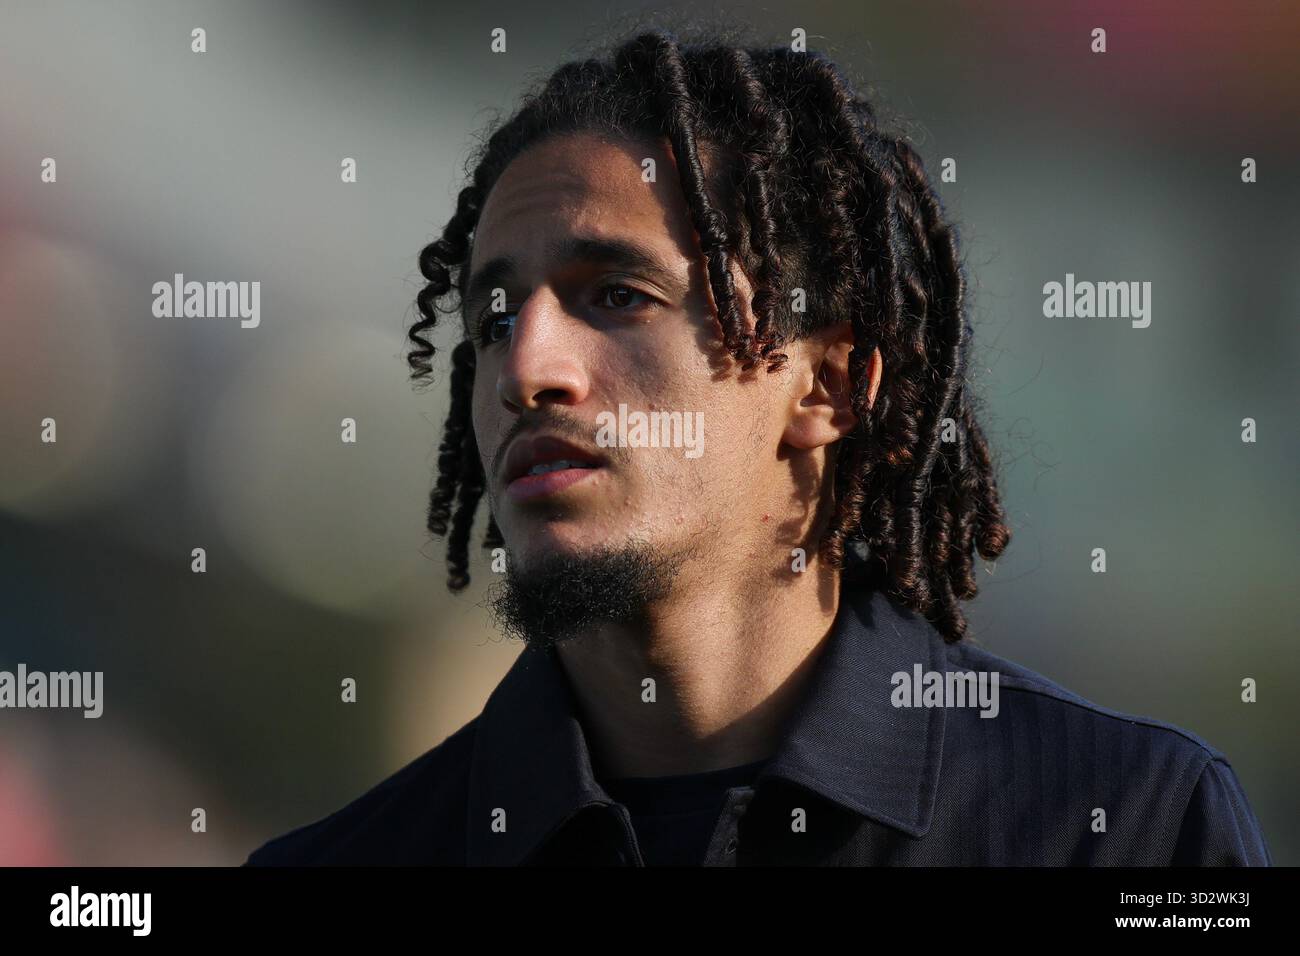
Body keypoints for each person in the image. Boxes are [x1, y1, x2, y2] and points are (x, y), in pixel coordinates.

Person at [245, 29, 1270, 866]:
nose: (527, 367)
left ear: (824, 385)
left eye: (617, 295)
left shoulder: (1124, 826)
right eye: (493, 318)